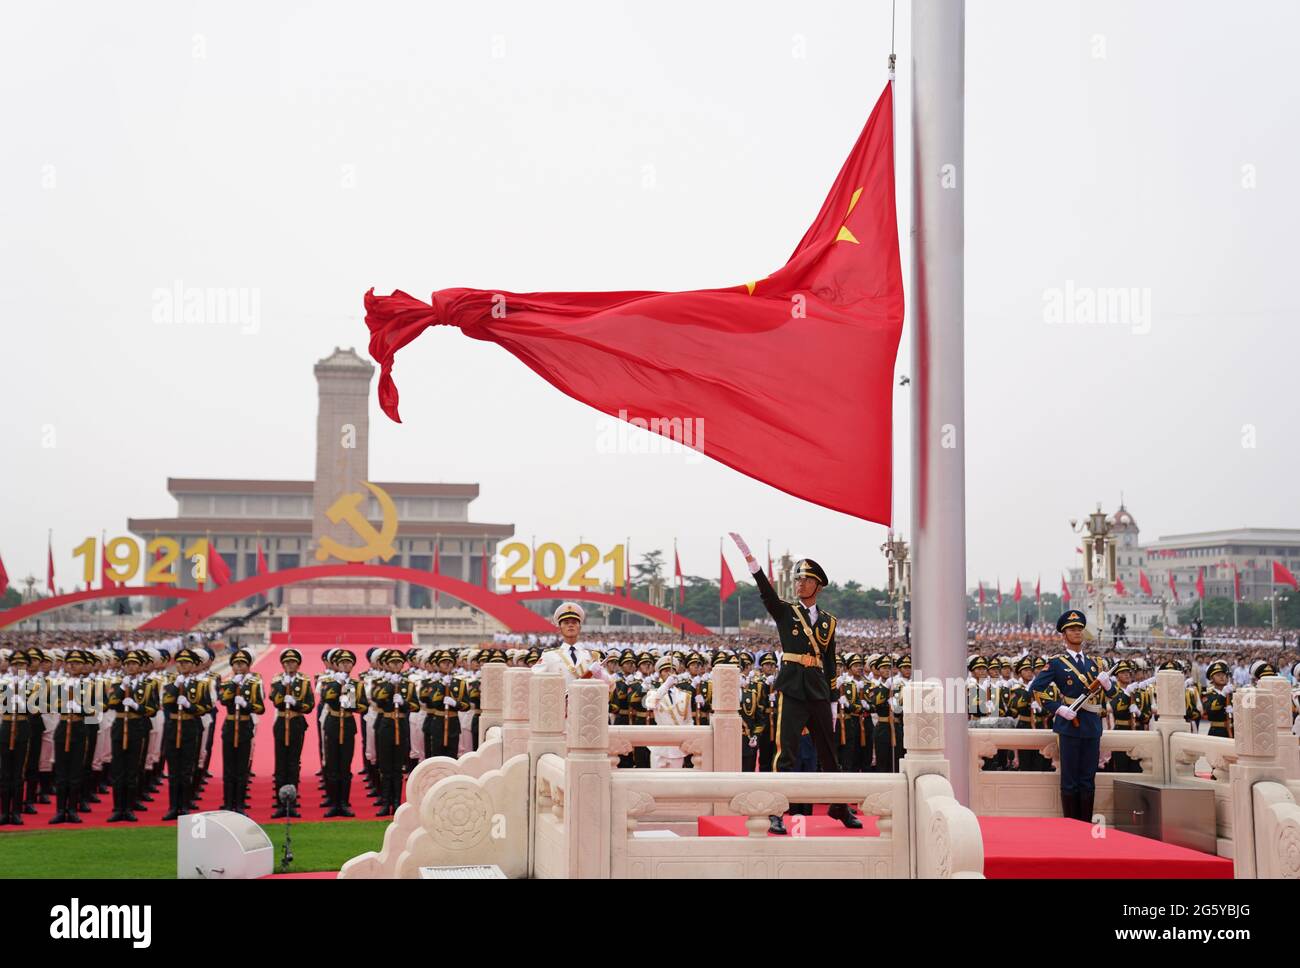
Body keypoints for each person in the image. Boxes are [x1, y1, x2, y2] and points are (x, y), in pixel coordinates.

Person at [730, 533, 861, 834]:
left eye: (805, 580)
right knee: (785, 751)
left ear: (818, 585)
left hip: (817, 689)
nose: (799, 584)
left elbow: (829, 661)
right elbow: (767, 594)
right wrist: (751, 561)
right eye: (797, 580)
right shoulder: (786, 612)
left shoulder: (829, 622)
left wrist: (832, 698)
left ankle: (839, 807)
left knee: (829, 752)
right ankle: (777, 811)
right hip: (791, 688)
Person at [1030, 610, 1118, 823]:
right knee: (1069, 780)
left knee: (1088, 779)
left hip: (1092, 726)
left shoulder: (1096, 663)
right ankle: (1071, 825)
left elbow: (1115, 696)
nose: (1077, 632)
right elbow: (1035, 690)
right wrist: (1059, 709)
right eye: (1072, 629)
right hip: (1069, 725)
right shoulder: (1057, 663)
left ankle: (1085, 823)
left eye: (1079, 629)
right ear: (1064, 634)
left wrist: (1108, 684)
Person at [160, 647, 213, 821]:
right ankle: (172, 806)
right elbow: (166, 703)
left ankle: (184, 806)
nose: (183, 665)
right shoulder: (170, 683)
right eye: (180, 662)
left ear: (193, 665)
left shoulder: (200, 685)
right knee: (173, 769)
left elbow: (206, 707)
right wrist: (176, 687)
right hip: (173, 725)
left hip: (190, 725)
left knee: (186, 769)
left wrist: (190, 706)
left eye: (187, 662)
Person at [106, 650, 157, 822]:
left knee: (132, 770)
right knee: (118, 769)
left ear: (141, 666)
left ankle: (128, 807)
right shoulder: (117, 684)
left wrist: (136, 705)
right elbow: (111, 703)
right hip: (120, 727)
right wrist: (122, 688)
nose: (131, 667)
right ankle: (117, 808)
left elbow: (152, 710)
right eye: (127, 664)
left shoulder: (148, 685)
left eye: (134, 664)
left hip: (136, 727)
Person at [318, 649, 368, 817]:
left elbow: (363, 706)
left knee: (345, 767)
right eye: (342, 663)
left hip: (347, 724)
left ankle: (344, 803)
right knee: (332, 766)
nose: (346, 665)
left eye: (348, 663)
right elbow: (326, 698)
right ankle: (333, 803)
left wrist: (349, 699)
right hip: (333, 723)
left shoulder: (357, 685)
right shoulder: (329, 681)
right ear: (337, 665)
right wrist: (337, 686)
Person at [216, 648, 264, 813]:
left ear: (248, 666)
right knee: (229, 768)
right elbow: (223, 700)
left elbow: (260, 708)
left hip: (244, 726)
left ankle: (240, 804)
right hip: (230, 726)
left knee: (242, 768)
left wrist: (246, 705)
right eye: (236, 664)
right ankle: (228, 802)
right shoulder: (226, 683)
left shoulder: (254, 684)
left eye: (242, 664)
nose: (239, 667)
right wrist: (233, 685)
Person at [269, 649, 315, 818]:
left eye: (292, 662)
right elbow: (274, 700)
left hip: (296, 722)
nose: (289, 665)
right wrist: (282, 688)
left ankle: (292, 802)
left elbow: (309, 705)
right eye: (286, 662)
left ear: (298, 664)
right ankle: (280, 801)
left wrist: (295, 703)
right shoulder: (277, 680)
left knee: (293, 763)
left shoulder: (304, 681)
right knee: (280, 763)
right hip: (282, 722)